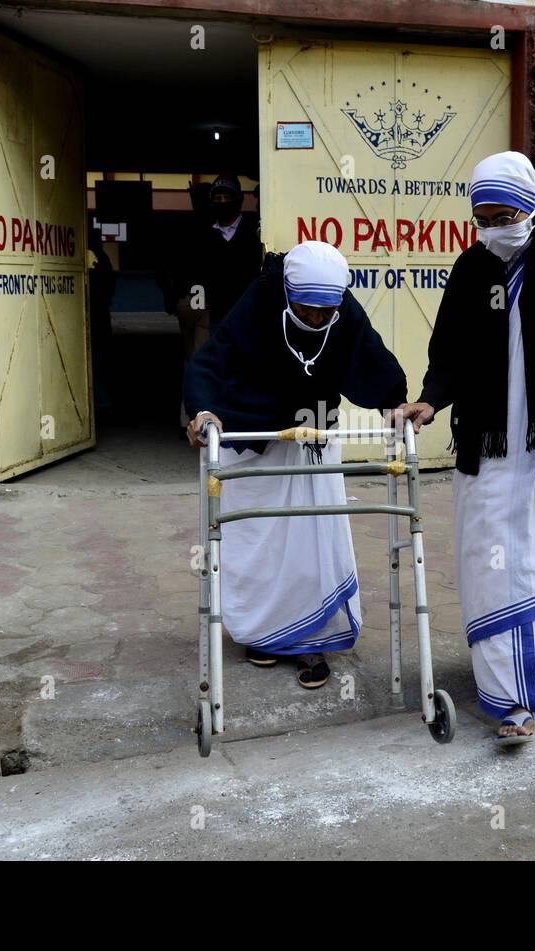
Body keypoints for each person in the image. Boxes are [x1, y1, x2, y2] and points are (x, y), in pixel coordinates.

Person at [392, 151, 535, 745]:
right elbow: (450, 353)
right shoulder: (473, 267)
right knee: (494, 564)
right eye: (484, 218)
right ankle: (510, 690)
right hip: (491, 446)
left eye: (504, 215)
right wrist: (431, 399)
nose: (495, 228)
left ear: (532, 205)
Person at [184, 241, 406, 688]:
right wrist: (203, 411)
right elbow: (212, 360)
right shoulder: (261, 300)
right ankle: (264, 635)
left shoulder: (339, 307)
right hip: (252, 435)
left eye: (327, 313)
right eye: (307, 311)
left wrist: (394, 405)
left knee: (311, 536)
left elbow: (372, 359)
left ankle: (312, 640)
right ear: (288, 293)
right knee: (257, 537)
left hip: (312, 434)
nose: (318, 319)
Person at [172, 174, 263, 433]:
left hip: (245, 312)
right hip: (208, 311)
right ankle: (195, 420)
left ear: (240, 200)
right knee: (200, 363)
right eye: (217, 198)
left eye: (227, 197)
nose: (222, 202)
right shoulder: (201, 231)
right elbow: (185, 267)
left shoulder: (254, 231)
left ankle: (240, 418)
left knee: (244, 365)